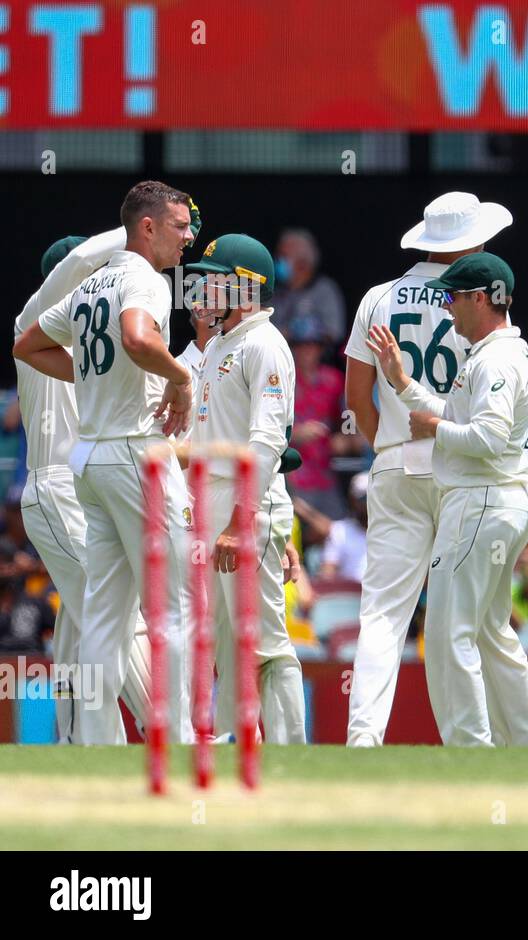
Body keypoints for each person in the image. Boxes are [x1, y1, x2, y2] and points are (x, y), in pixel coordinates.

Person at [15, 180, 197, 745]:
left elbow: (33, 347)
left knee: (97, 616)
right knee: (163, 607)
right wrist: (181, 378)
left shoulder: (81, 306)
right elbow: (137, 336)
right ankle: (176, 734)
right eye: (180, 226)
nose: (188, 237)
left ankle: (88, 744)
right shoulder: (122, 283)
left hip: (85, 466)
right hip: (92, 472)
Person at [367, 252, 528, 747]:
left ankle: (471, 749)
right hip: (498, 503)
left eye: (454, 298)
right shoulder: (495, 354)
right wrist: (403, 383)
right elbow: (455, 415)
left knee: (450, 636)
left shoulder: (495, 359)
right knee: (493, 634)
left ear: (480, 298)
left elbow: (489, 438)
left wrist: (435, 428)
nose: (448, 308)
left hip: (481, 502)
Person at [342, 191, 512, 746]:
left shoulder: (377, 298)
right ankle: (481, 744)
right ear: (471, 243)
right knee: (474, 619)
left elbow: (357, 397)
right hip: (464, 467)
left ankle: (363, 741)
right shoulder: (484, 297)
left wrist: (389, 448)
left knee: (384, 615)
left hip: (395, 465)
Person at [186, 232, 307, 743]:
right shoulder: (219, 344)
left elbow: (266, 442)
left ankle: (292, 755)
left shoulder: (264, 345)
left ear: (246, 286)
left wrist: (242, 521)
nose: (203, 289)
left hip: (243, 507)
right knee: (224, 641)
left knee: (265, 642)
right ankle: (246, 748)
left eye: (215, 280)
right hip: (209, 503)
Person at [287, 316, 347, 518]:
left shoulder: (334, 381)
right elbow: (261, 427)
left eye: (313, 344)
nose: (307, 351)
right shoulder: (281, 379)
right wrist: (295, 434)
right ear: (292, 348)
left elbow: (348, 422)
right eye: (300, 345)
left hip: (326, 474)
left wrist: (345, 439)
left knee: (338, 531)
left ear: (321, 348)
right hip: (292, 476)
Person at [271, 228, 348, 344]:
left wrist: (307, 334)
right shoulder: (275, 293)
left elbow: (334, 332)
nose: (278, 260)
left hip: (316, 361)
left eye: (284, 256)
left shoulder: (325, 290)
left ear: (302, 262)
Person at [319, 473, 369, 583]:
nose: (367, 504)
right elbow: (327, 572)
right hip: (351, 597)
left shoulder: (393, 532)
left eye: (372, 498)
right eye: (363, 498)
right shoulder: (339, 530)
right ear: (352, 500)